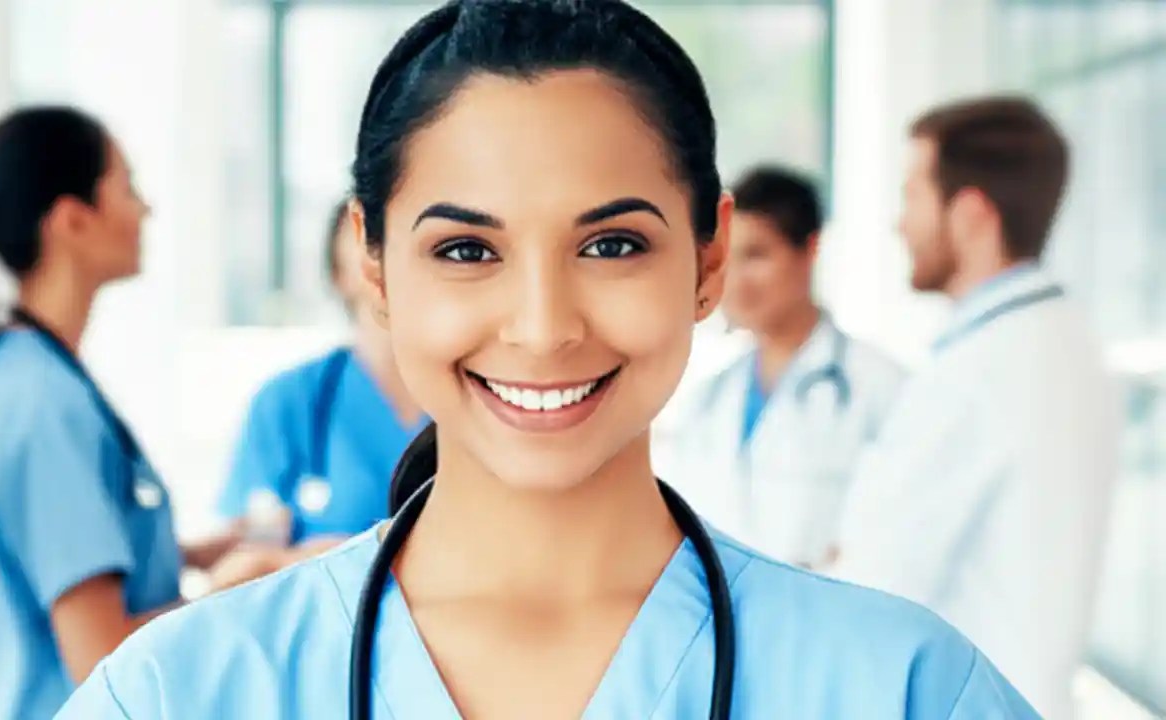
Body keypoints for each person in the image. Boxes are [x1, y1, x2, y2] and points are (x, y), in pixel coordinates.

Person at [58, 4, 1038, 717]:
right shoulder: (180, 693)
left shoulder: (903, 689)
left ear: (706, 258)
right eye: (464, 250)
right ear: (375, 266)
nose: (541, 326)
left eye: (610, 245)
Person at [0, 107, 242, 720]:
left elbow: (70, 556)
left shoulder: (30, 377)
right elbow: (101, 655)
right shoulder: (38, 399)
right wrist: (239, 593)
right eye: (127, 188)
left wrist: (201, 555)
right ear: (72, 220)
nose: (145, 210)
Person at [831, 97, 1118, 720]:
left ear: (969, 214)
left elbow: (873, 589)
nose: (898, 223)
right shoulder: (1064, 340)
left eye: (912, 195)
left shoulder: (977, 373)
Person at [654, 166, 905, 569]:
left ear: (811, 249)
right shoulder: (708, 399)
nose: (736, 281)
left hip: (832, 622)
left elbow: (896, 541)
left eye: (756, 255)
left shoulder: (881, 389)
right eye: (726, 259)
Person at [209, 198, 426, 586]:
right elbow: (248, 567)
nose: (380, 254)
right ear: (337, 272)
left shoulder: (482, 394)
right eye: (364, 235)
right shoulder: (290, 403)